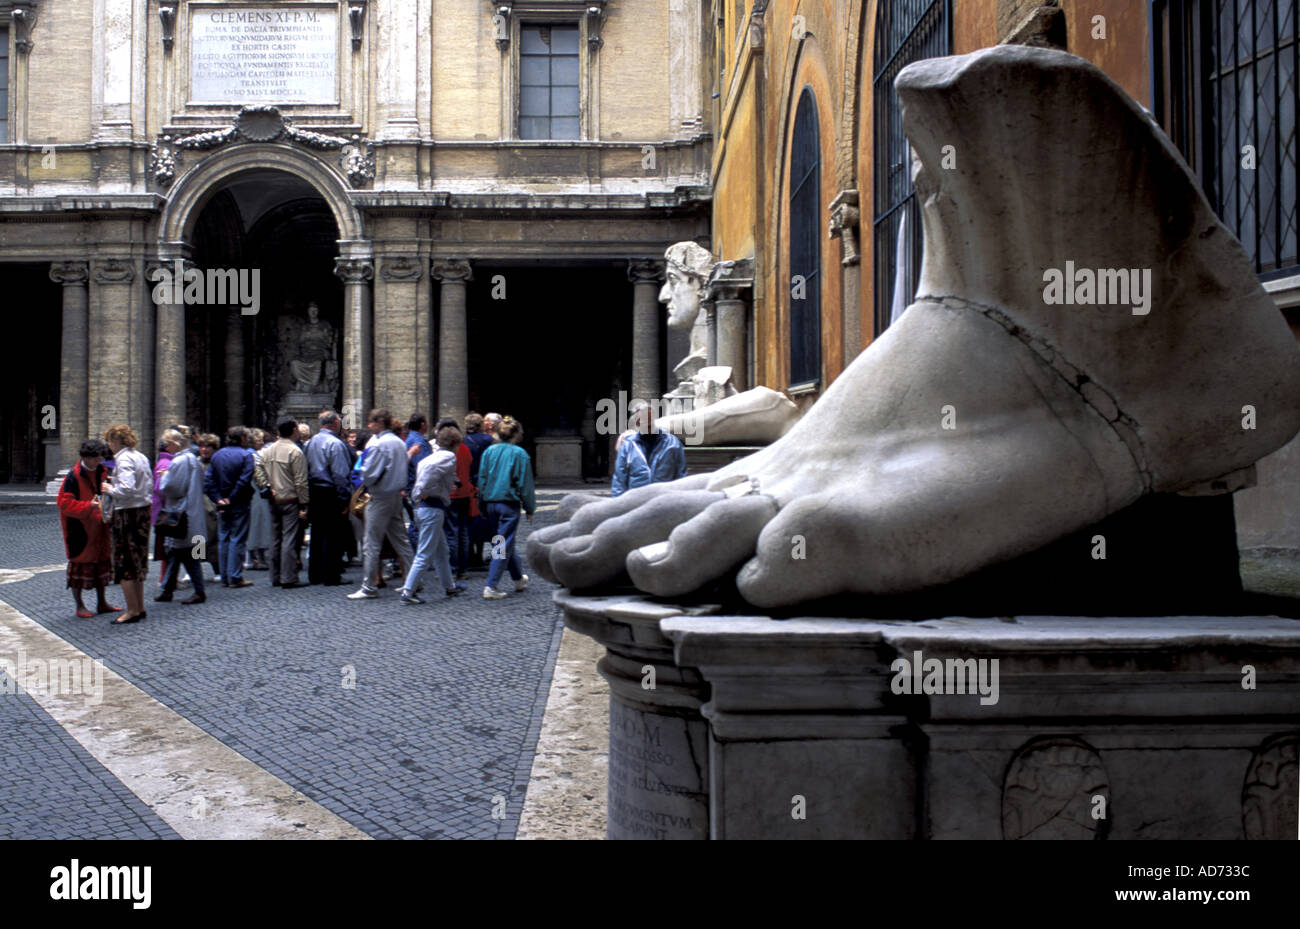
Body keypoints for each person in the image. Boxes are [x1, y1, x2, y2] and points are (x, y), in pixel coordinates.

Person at [347, 409, 416, 599]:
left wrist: (366, 485)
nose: (368, 426)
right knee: (401, 540)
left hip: (379, 495)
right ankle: (413, 580)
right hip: (395, 495)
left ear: (379, 423)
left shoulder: (379, 444)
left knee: (371, 542)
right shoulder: (398, 442)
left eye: (371, 422)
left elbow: (369, 473)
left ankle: (369, 586)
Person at [399, 425, 469, 604]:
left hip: (425, 507)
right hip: (434, 507)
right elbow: (432, 477)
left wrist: (419, 493)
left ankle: (450, 586)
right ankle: (408, 591)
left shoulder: (431, 457)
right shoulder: (449, 456)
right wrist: (427, 490)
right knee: (425, 553)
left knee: (442, 551)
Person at [56, 439, 121, 618]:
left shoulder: (103, 471)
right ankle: (80, 605)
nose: (98, 461)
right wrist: (88, 506)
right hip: (80, 529)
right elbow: (64, 503)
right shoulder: (73, 476)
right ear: (86, 457)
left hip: (100, 527)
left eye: (100, 457)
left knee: (102, 565)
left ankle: (102, 602)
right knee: (79, 567)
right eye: (95, 458)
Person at [476, 415, 535, 599]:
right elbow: (525, 485)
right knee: (502, 544)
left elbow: (482, 480)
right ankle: (491, 586)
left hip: (490, 504)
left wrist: (482, 505)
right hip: (508, 505)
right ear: (516, 434)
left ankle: (518, 579)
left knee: (503, 541)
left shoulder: (488, 452)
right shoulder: (520, 454)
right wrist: (529, 508)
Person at [101, 424, 154, 624]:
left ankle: (131, 610)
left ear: (115, 441)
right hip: (143, 511)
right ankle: (139, 607)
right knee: (138, 560)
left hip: (127, 513)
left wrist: (109, 488)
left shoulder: (123, 459)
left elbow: (126, 488)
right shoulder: (140, 456)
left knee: (124, 562)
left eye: (109, 441)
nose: (109, 445)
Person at [155, 434, 208, 605]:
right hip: (192, 510)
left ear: (174, 443)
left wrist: (164, 476)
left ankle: (199, 591)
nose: (166, 447)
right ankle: (167, 589)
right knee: (175, 553)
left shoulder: (179, 462)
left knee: (187, 554)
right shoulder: (193, 459)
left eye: (167, 444)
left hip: (181, 513)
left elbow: (172, 488)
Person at [204, 426, 256, 589]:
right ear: (242, 439)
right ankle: (235, 576)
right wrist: (230, 499)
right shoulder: (247, 455)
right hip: (238, 502)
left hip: (221, 504)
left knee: (224, 537)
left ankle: (225, 576)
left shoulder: (217, 455)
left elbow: (208, 481)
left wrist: (219, 499)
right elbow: (243, 480)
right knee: (237, 538)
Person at [260, 417, 310, 588]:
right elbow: (301, 482)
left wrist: (265, 485)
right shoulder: (295, 451)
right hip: (290, 499)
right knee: (289, 538)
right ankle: (288, 577)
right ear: (294, 430)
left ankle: (275, 576)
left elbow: (256, 465)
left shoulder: (267, 450)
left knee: (275, 538)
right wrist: (304, 503)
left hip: (274, 499)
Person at [306, 410, 353, 586]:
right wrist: (344, 499)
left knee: (317, 534)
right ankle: (332, 575)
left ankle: (315, 574)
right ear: (334, 423)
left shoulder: (311, 442)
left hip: (315, 491)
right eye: (340, 422)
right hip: (331, 492)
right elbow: (340, 475)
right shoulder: (336, 444)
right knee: (334, 535)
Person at [610, 400, 687, 497]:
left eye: (650, 419)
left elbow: (681, 475)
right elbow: (619, 480)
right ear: (637, 423)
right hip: (635, 501)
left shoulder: (672, 443)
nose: (648, 423)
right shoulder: (628, 445)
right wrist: (618, 505)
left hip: (663, 499)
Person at [436, 416, 478, 580]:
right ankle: (498, 561)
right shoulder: (466, 449)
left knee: (452, 533)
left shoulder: (446, 453)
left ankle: (454, 568)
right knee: (464, 532)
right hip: (467, 494)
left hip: (453, 495)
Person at [404, 413, 432, 554]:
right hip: (418, 488)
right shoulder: (418, 441)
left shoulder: (411, 439)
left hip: (412, 486)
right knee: (418, 523)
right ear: (422, 424)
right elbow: (423, 468)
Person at [151, 436, 177, 585]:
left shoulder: (167, 461)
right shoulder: (166, 463)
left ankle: (169, 578)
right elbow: (161, 489)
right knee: (170, 547)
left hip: (167, 510)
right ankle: (166, 579)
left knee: (171, 546)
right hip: (167, 511)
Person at [245, 428, 272, 572]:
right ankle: (259, 558)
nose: (262, 442)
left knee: (253, 525)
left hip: (250, 494)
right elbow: (260, 476)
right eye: (259, 440)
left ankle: (251, 558)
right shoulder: (254, 456)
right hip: (257, 494)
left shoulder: (248, 454)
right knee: (259, 525)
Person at [196, 433, 222, 582]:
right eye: (202, 446)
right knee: (197, 538)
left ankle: (217, 569)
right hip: (198, 506)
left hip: (212, 505)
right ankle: (195, 568)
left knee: (213, 538)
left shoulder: (217, 463)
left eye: (208, 447)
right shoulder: (196, 462)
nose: (204, 449)